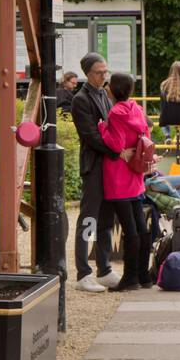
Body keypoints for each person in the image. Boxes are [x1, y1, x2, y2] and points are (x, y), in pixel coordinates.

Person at [97, 71, 154, 290]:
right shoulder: (136, 109)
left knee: (130, 230)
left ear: (113, 89)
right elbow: (146, 136)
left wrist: (102, 127)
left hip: (118, 174)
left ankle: (129, 278)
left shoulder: (115, 113)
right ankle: (143, 276)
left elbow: (115, 144)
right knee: (141, 226)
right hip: (135, 173)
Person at [70, 53, 120, 291]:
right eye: (99, 72)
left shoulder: (104, 94)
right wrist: (117, 152)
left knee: (106, 219)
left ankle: (104, 268)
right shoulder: (81, 99)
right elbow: (90, 136)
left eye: (105, 72)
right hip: (94, 165)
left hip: (107, 164)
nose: (104, 76)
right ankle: (83, 273)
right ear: (87, 74)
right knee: (89, 218)